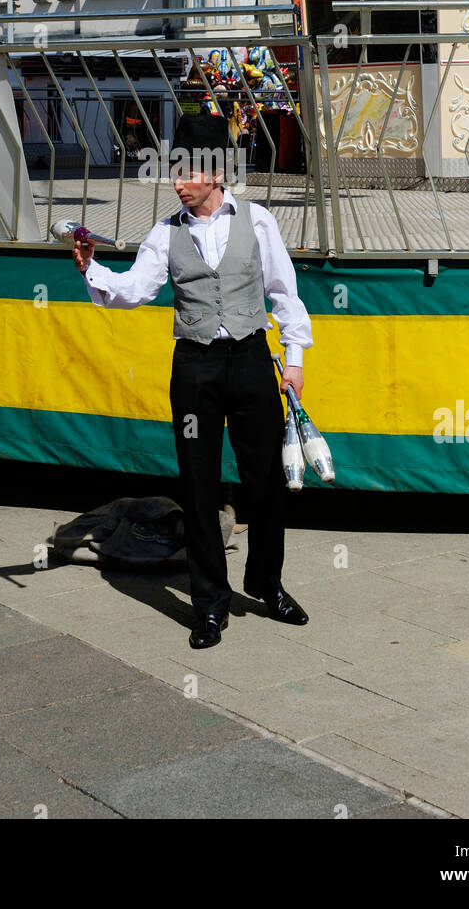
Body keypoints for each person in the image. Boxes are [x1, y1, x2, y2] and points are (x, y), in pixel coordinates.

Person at [72, 112, 314, 650]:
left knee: (267, 483)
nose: (177, 184)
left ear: (217, 174)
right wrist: (90, 269)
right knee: (198, 488)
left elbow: (284, 292)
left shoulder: (258, 221)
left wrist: (293, 358)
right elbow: (135, 289)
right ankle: (209, 604)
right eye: (174, 174)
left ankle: (265, 582)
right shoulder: (165, 233)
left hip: (252, 361)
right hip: (195, 369)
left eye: (186, 174)